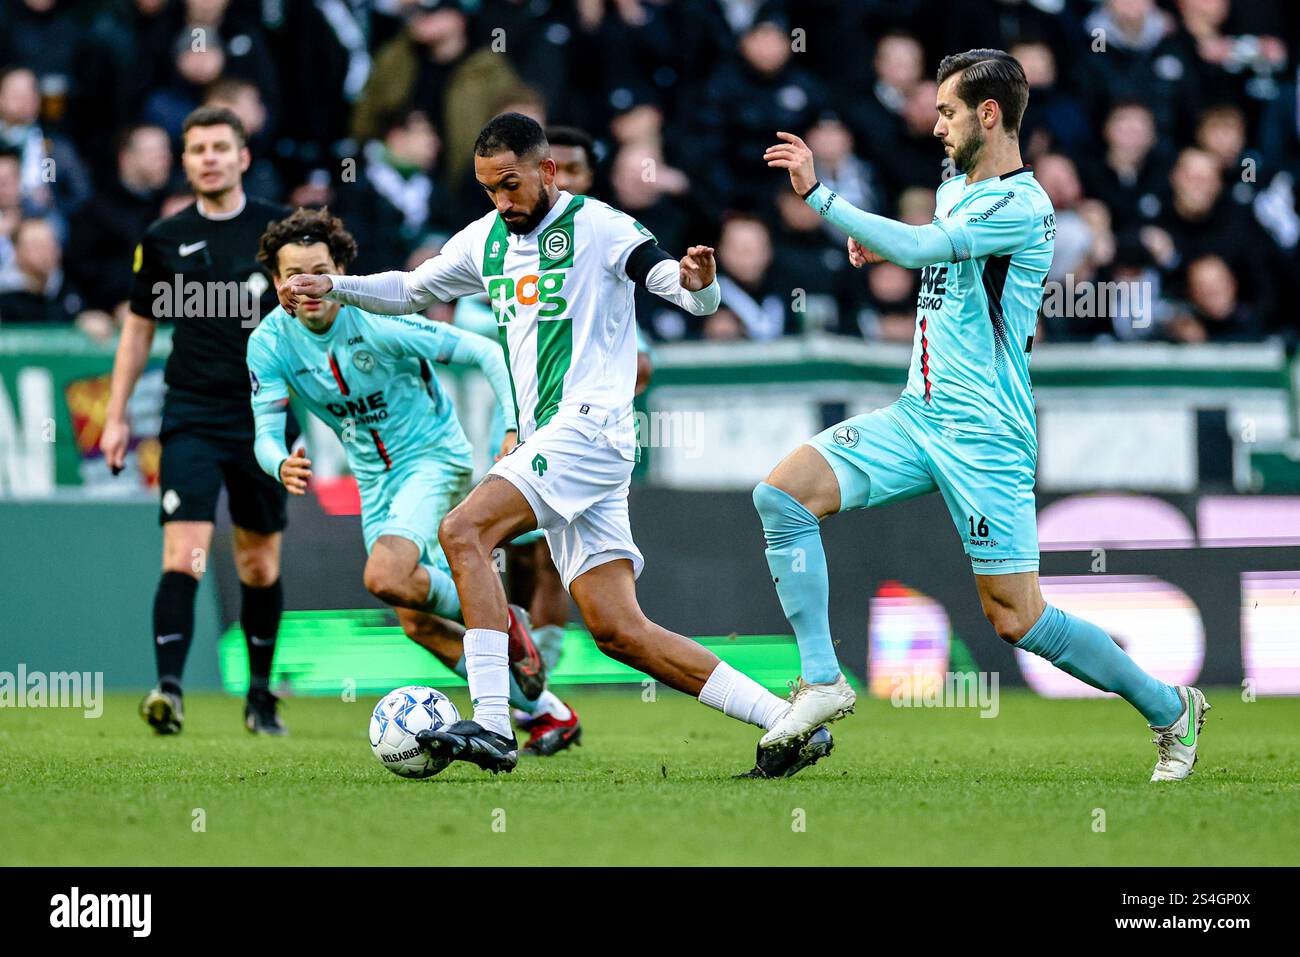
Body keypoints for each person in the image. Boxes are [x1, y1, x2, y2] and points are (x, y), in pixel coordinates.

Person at [280, 113, 825, 778]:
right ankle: (786, 720)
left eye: (510, 185)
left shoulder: (601, 228)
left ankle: (490, 723)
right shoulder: (485, 241)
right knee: (619, 629)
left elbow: (690, 299)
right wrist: (333, 285)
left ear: (546, 171)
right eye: (489, 189)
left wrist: (701, 279)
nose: (502, 202)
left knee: (462, 531)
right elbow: (411, 290)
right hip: (563, 441)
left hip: (589, 425)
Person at [760, 49, 1209, 782]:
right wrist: (883, 250)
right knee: (781, 495)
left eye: (947, 111)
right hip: (918, 415)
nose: (937, 125)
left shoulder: (1022, 205)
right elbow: (931, 258)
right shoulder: (957, 186)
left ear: (989, 113)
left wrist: (825, 197)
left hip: (986, 435)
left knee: (1017, 618)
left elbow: (918, 244)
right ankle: (823, 681)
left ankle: (1169, 706)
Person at [247, 207, 575, 748]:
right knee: (417, 621)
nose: (304, 287)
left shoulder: (378, 318)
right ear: (275, 281)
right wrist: (277, 461)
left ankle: (504, 618)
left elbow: (487, 354)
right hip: (374, 482)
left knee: (384, 576)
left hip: (433, 459)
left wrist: (517, 426)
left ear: (339, 271)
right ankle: (546, 712)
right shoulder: (270, 342)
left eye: (317, 272)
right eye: (290, 276)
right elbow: (263, 431)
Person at [100, 106, 291, 736]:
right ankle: (170, 691)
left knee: (258, 564)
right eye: (196, 148)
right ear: (184, 162)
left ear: (243, 157)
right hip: (191, 414)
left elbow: (320, 312)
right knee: (184, 552)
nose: (207, 157)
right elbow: (137, 328)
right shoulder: (161, 238)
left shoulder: (279, 232)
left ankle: (261, 696)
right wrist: (118, 414)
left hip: (263, 417)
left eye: (219, 147)